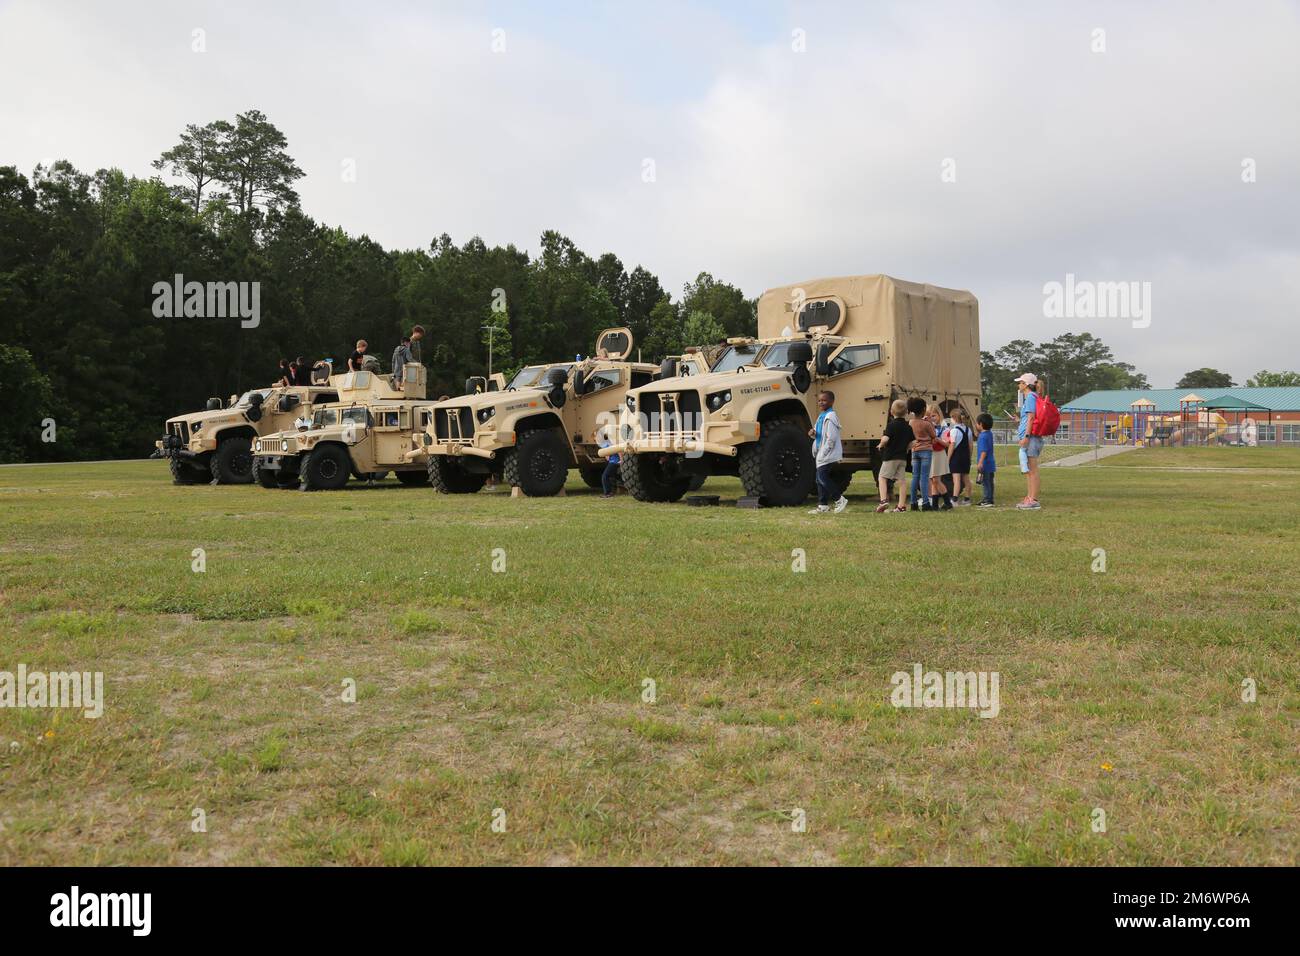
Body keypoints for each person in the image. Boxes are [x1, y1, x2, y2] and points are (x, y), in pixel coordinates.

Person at [809, 390, 848, 514]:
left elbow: (831, 438)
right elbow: (820, 434)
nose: (821, 402)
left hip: (827, 454)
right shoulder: (822, 416)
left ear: (832, 402)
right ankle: (823, 506)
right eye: (819, 400)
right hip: (821, 453)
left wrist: (824, 453)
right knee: (819, 479)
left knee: (822, 478)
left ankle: (840, 500)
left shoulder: (831, 417)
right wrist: (813, 433)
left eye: (824, 400)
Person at [875, 399, 912, 513]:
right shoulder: (908, 426)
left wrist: (881, 444)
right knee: (902, 481)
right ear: (906, 412)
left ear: (891, 412)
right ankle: (901, 506)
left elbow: (886, 439)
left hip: (890, 457)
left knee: (882, 477)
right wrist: (906, 448)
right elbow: (913, 442)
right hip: (902, 458)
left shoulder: (891, 426)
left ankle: (883, 500)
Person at [1015, 372, 1043, 510]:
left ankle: (1033, 500)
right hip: (1030, 437)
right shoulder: (1031, 397)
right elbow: (1028, 418)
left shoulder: (1031, 397)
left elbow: (1031, 418)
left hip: (1031, 438)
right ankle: (1029, 497)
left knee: (1032, 470)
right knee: (1029, 470)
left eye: (1020, 382)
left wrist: (1026, 437)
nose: (1018, 385)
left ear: (1026, 384)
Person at [908, 396, 937, 511]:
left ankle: (913, 502)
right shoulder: (926, 424)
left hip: (915, 451)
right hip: (926, 451)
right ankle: (925, 503)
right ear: (924, 409)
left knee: (915, 477)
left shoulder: (911, 422)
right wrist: (929, 422)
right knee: (924, 477)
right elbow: (934, 435)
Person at [928, 405, 953, 510]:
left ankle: (948, 503)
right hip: (932, 454)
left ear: (939, 415)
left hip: (938, 454)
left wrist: (937, 439)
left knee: (936, 480)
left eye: (934, 415)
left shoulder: (944, 427)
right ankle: (935, 505)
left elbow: (947, 444)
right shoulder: (930, 426)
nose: (932, 418)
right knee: (933, 480)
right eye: (930, 416)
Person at [948, 408, 973, 505]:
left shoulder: (954, 430)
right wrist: (969, 457)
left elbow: (952, 446)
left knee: (956, 479)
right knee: (966, 479)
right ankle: (967, 499)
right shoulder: (968, 430)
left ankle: (954, 499)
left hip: (956, 458)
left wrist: (948, 458)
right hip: (965, 457)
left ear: (954, 418)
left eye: (951, 417)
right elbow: (970, 445)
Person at [975, 412, 996, 507]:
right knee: (990, 482)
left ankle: (987, 500)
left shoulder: (982, 436)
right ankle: (989, 498)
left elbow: (984, 451)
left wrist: (980, 462)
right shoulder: (989, 434)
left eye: (977, 423)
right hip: (991, 463)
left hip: (985, 463)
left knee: (985, 482)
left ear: (981, 424)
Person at [595, 428, 620, 498]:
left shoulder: (609, 442)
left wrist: (621, 460)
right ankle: (612, 491)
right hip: (612, 461)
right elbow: (607, 457)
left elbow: (618, 450)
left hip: (615, 462)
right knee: (611, 477)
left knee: (605, 476)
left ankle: (608, 493)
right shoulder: (603, 444)